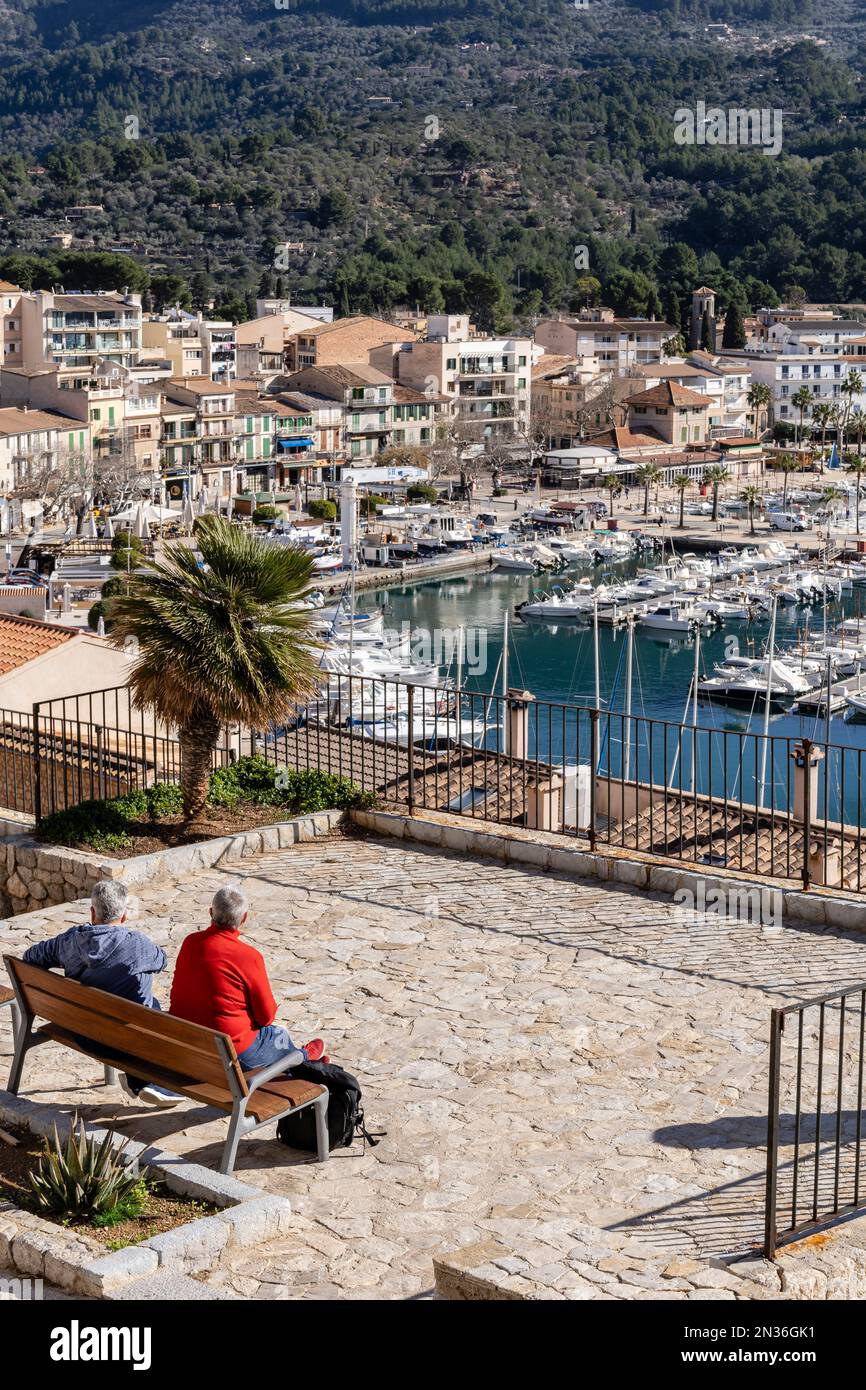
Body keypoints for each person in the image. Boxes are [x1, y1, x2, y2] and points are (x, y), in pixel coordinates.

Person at [22, 880, 179, 1108]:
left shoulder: (69, 941)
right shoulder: (136, 944)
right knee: (147, 999)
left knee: (139, 999)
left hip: (84, 1032)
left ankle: (140, 1080)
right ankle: (143, 1079)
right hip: (127, 1040)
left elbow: (31, 957)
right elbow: (161, 961)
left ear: (92, 912)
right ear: (124, 916)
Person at [170, 887, 325, 1071]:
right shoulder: (248, 956)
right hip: (233, 1054)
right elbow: (266, 1017)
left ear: (210, 912)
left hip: (187, 1038)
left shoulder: (190, 942)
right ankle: (305, 1058)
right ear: (244, 918)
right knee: (275, 1035)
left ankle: (304, 1060)